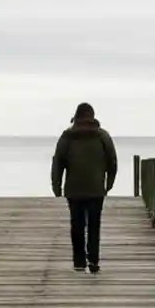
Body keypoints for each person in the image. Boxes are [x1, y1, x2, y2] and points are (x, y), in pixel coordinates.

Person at [51, 102, 117, 273]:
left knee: (77, 225)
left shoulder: (67, 136)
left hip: (74, 189)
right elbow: (112, 161)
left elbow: (58, 162)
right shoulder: (103, 136)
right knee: (94, 225)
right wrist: (108, 184)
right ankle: (93, 260)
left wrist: (56, 186)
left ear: (76, 116)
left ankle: (79, 262)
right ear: (92, 116)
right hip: (96, 189)